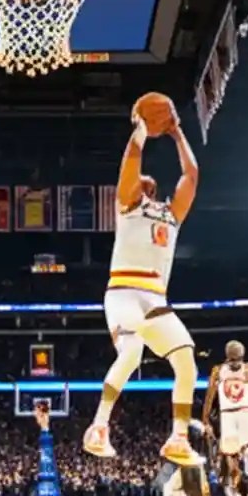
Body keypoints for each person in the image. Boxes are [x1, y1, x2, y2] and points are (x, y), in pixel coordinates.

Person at [84, 96, 203, 466]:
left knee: (187, 361)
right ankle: (99, 426)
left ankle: (179, 438)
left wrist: (177, 132)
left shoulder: (171, 214)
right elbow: (130, 165)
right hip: (122, 293)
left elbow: (191, 176)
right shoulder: (128, 203)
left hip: (155, 299)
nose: (143, 178)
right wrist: (140, 132)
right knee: (132, 353)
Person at [203, 340, 248, 496]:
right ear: (227, 357)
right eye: (232, 359)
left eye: (237, 358)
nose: (235, 362)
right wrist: (205, 419)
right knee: (230, 454)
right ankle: (235, 487)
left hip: (247, 413)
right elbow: (209, 397)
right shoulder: (218, 371)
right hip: (227, 415)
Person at [156, 420, 225, 496]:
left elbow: (203, 433)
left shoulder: (189, 426)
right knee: (171, 487)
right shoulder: (181, 426)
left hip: (189, 458)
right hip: (182, 457)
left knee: (193, 489)